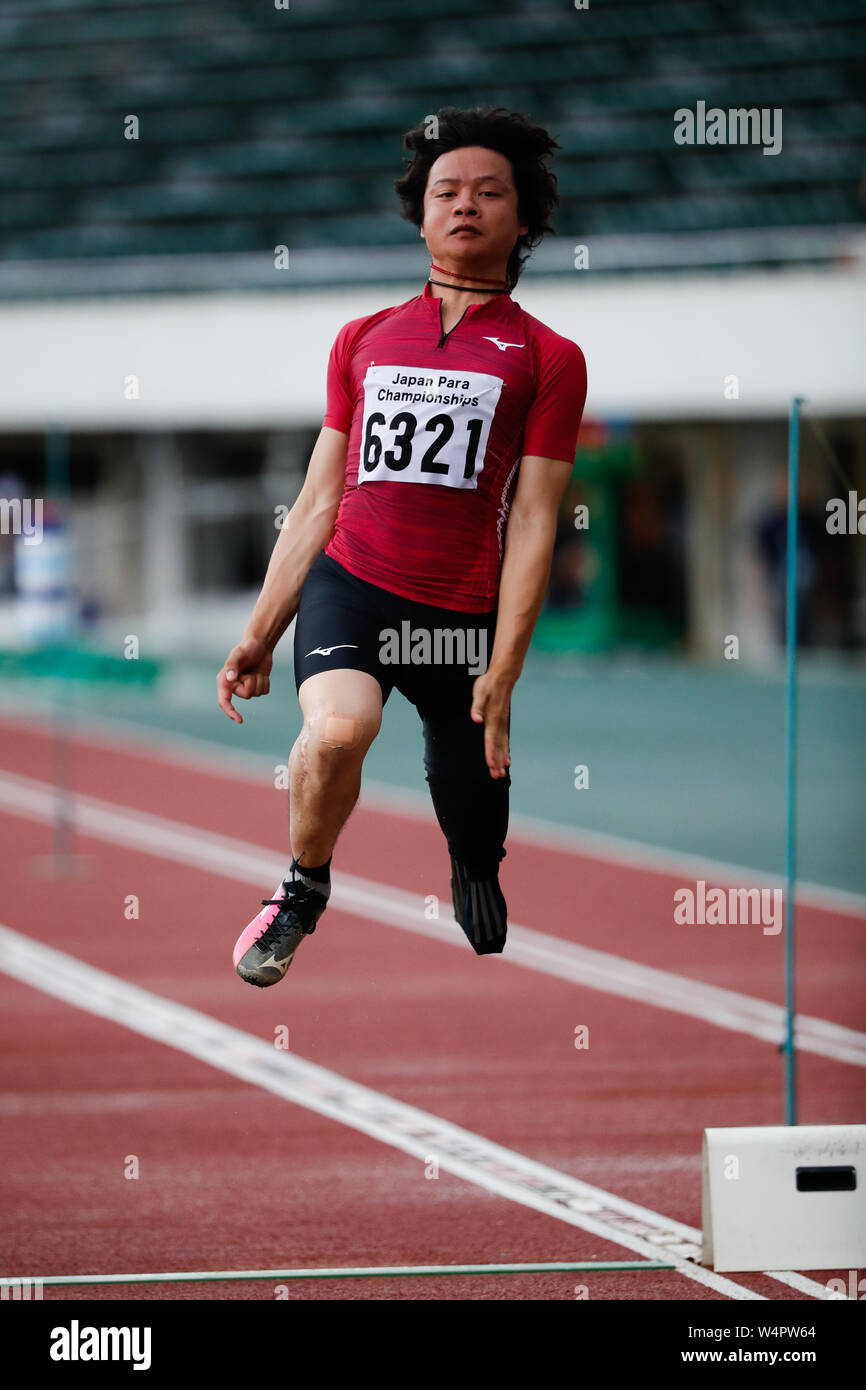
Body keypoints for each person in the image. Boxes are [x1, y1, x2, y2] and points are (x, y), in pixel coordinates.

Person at [217, 106, 587, 987]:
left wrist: (504, 669)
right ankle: (304, 886)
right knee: (338, 733)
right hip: (356, 584)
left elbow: (535, 519)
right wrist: (261, 630)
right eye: (445, 191)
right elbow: (317, 500)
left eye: (489, 193)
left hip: (462, 610)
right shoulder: (363, 339)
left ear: (525, 219)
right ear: (419, 214)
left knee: (472, 806)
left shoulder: (548, 358)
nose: (464, 205)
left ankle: (473, 860)